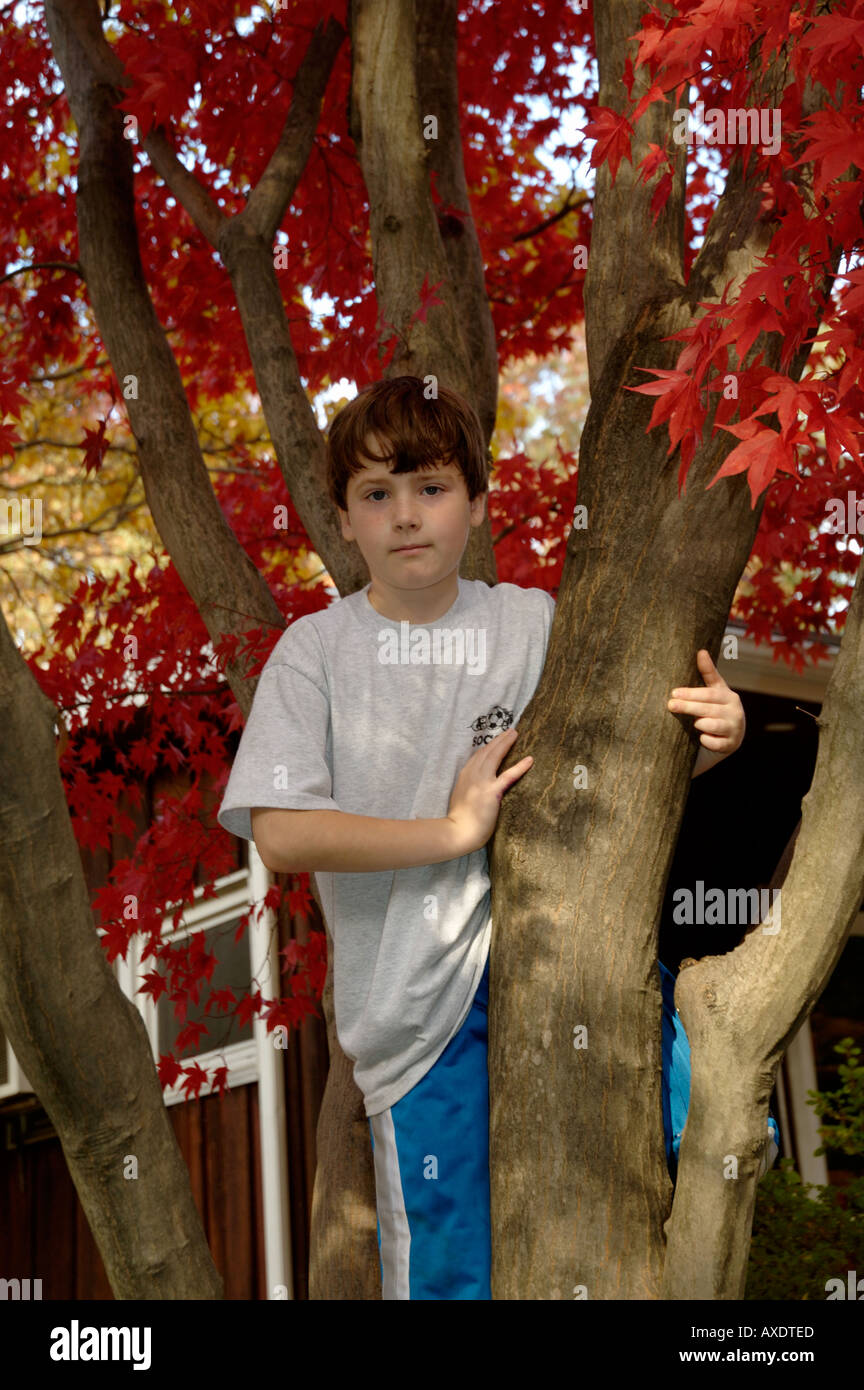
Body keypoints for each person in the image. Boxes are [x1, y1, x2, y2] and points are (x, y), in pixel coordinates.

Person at [217, 375, 778, 1300]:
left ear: (477, 503)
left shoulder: (535, 624)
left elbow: (625, 771)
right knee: (453, 1273)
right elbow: (279, 831)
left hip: (560, 960)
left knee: (665, 1181)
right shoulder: (315, 653)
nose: (405, 515)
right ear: (345, 519)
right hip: (417, 1002)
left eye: (431, 488)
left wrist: (722, 736)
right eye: (375, 494)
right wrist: (451, 831)